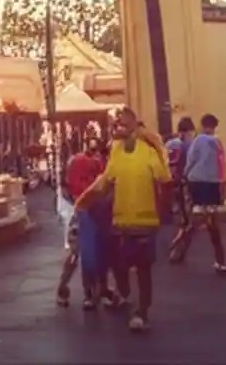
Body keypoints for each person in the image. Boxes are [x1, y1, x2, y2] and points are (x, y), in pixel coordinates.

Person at [77, 108, 170, 332]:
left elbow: (164, 178)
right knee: (120, 263)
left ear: (135, 127)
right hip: (121, 222)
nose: (119, 128)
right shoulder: (117, 151)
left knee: (143, 269)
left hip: (145, 222)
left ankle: (142, 312)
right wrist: (85, 200)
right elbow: (105, 181)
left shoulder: (148, 150)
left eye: (123, 124)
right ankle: (124, 294)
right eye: (117, 125)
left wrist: (163, 211)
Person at [171, 114, 226, 273]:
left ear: (202, 125)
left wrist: (184, 175)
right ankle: (220, 261)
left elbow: (191, 160)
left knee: (195, 218)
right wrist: (221, 181)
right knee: (213, 222)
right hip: (213, 183)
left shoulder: (197, 141)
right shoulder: (217, 142)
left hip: (197, 182)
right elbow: (222, 163)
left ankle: (178, 249)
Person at [56, 137, 104, 308]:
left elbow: (65, 187)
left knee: (79, 253)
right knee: (86, 252)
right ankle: (90, 292)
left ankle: (75, 290)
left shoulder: (75, 162)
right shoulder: (97, 164)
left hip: (80, 210)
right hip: (88, 211)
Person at [164, 118, 196, 263]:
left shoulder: (179, 145)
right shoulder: (189, 145)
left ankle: (178, 251)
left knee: (187, 222)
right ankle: (175, 249)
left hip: (180, 185)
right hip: (187, 185)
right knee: (189, 223)